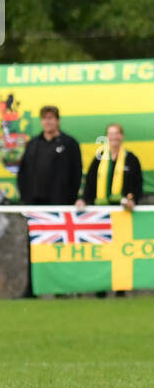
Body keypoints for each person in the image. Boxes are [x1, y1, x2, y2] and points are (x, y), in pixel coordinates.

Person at [16, 105, 81, 297]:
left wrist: (69, 200)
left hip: (60, 206)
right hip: (36, 206)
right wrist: (26, 199)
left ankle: (61, 288)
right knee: (34, 248)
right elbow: (23, 173)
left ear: (58, 121)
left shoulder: (69, 144)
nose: (48, 122)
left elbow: (76, 174)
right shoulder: (34, 144)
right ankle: (32, 288)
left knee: (58, 247)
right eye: (45, 118)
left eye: (52, 118)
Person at [76, 123, 143, 298]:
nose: (113, 138)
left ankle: (120, 287)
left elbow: (137, 184)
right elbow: (90, 182)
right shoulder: (99, 158)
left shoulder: (131, 159)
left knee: (120, 250)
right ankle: (101, 286)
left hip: (122, 212)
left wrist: (132, 199)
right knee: (102, 250)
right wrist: (83, 199)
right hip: (101, 212)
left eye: (116, 134)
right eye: (110, 135)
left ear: (122, 136)